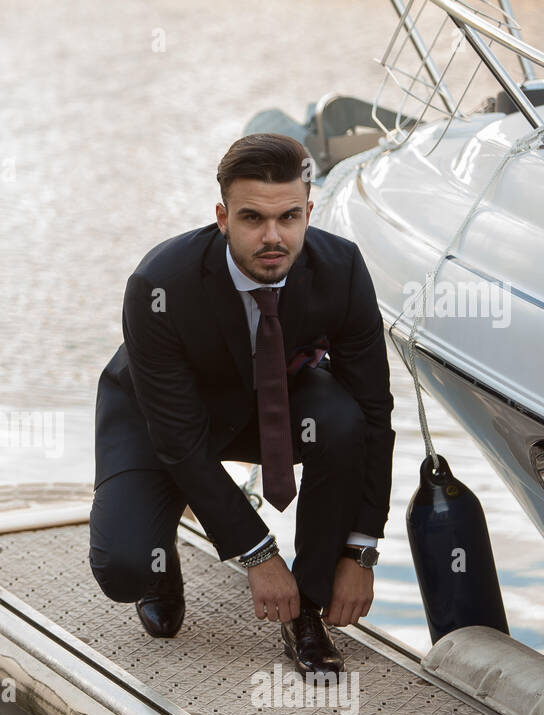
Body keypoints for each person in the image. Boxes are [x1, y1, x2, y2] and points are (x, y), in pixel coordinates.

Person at [88, 133, 394, 673]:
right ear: (222, 216)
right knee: (124, 568)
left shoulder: (341, 269)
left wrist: (360, 550)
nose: (273, 237)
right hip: (160, 418)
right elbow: (180, 440)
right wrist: (257, 553)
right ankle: (161, 561)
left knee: (342, 421)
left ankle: (308, 609)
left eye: (290, 218)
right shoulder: (159, 283)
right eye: (253, 218)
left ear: (308, 212)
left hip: (273, 407)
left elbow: (375, 412)